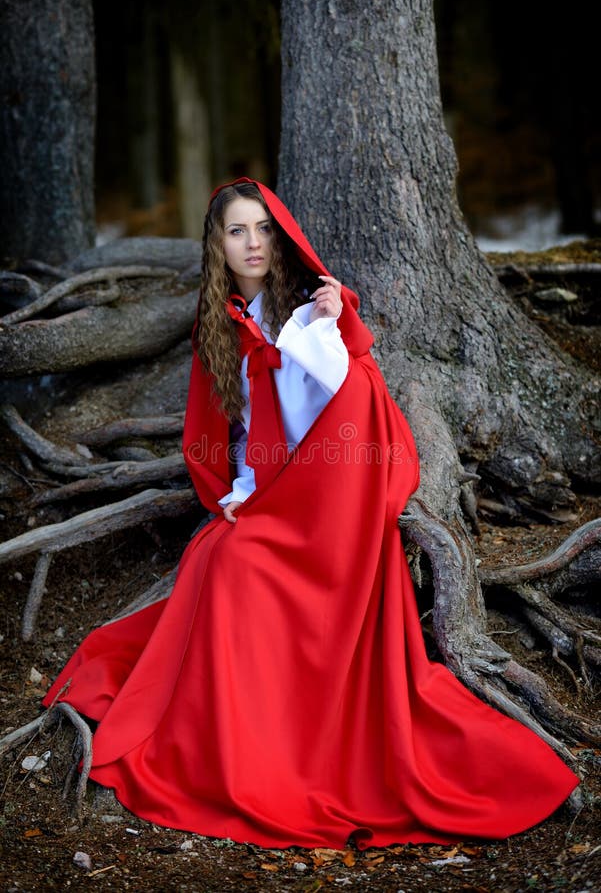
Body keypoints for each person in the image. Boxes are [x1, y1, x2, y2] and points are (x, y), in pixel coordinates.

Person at [42, 177, 579, 851]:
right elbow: (230, 435)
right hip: (268, 498)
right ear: (216, 246)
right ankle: (238, 738)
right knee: (220, 555)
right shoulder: (224, 329)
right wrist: (237, 492)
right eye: (236, 231)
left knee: (237, 564)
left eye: (263, 230)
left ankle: (282, 751)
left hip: (329, 507)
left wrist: (334, 326)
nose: (251, 243)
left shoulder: (312, 319)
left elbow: (353, 412)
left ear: (283, 237)